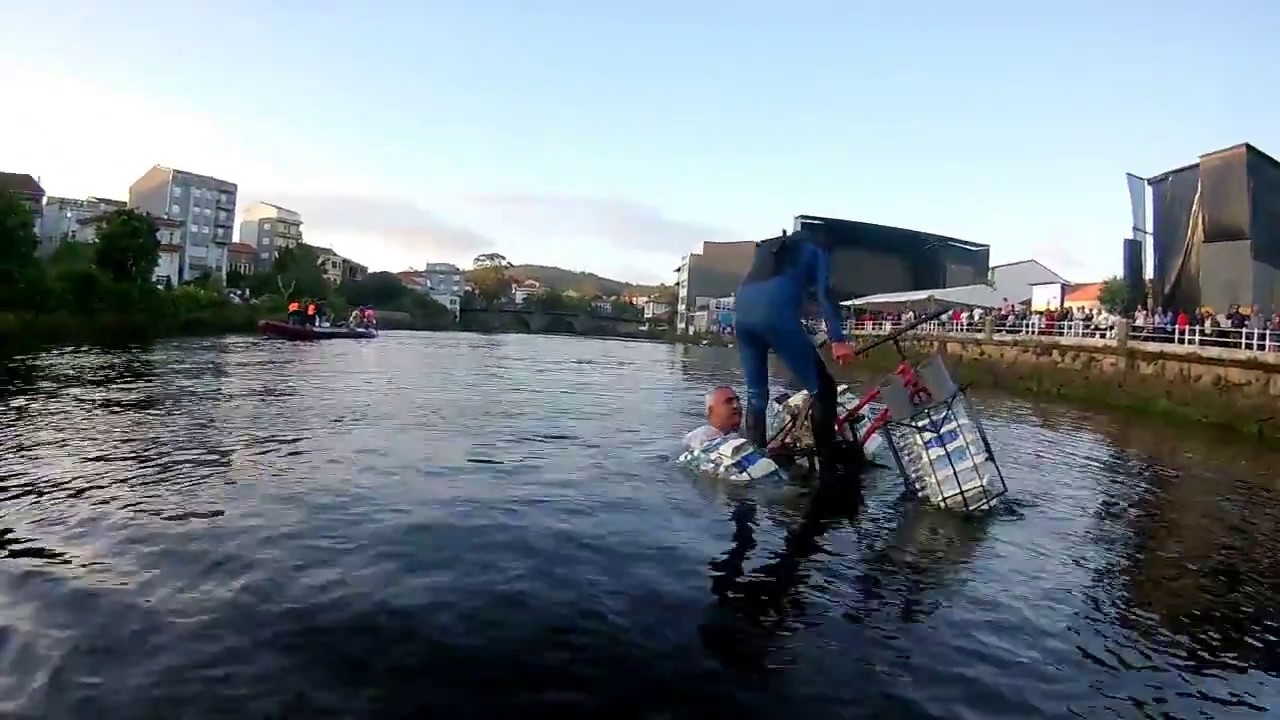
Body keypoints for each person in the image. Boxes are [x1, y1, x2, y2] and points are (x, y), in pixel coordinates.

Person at [734, 228, 858, 480]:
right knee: (823, 390)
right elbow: (825, 292)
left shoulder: (773, 249)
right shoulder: (816, 248)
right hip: (775, 315)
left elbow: (774, 289)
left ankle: (756, 469)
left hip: (743, 314)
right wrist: (837, 339)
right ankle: (827, 473)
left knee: (756, 396)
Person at [682, 385, 743, 450]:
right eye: (728, 402)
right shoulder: (699, 439)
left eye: (737, 401)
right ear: (711, 410)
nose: (736, 405)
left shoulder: (745, 433)